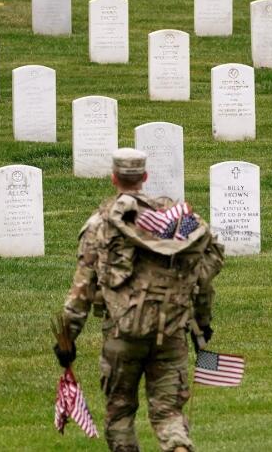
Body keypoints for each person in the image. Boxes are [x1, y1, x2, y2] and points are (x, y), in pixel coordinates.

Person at [56, 148, 225, 452]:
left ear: (113, 178)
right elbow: (200, 280)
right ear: (144, 177)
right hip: (171, 329)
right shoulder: (173, 225)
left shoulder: (100, 225)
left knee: (119, 414)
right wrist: (202, 324)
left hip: (123, 334)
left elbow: (81, 291)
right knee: (169, 415)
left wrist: (67, 338)